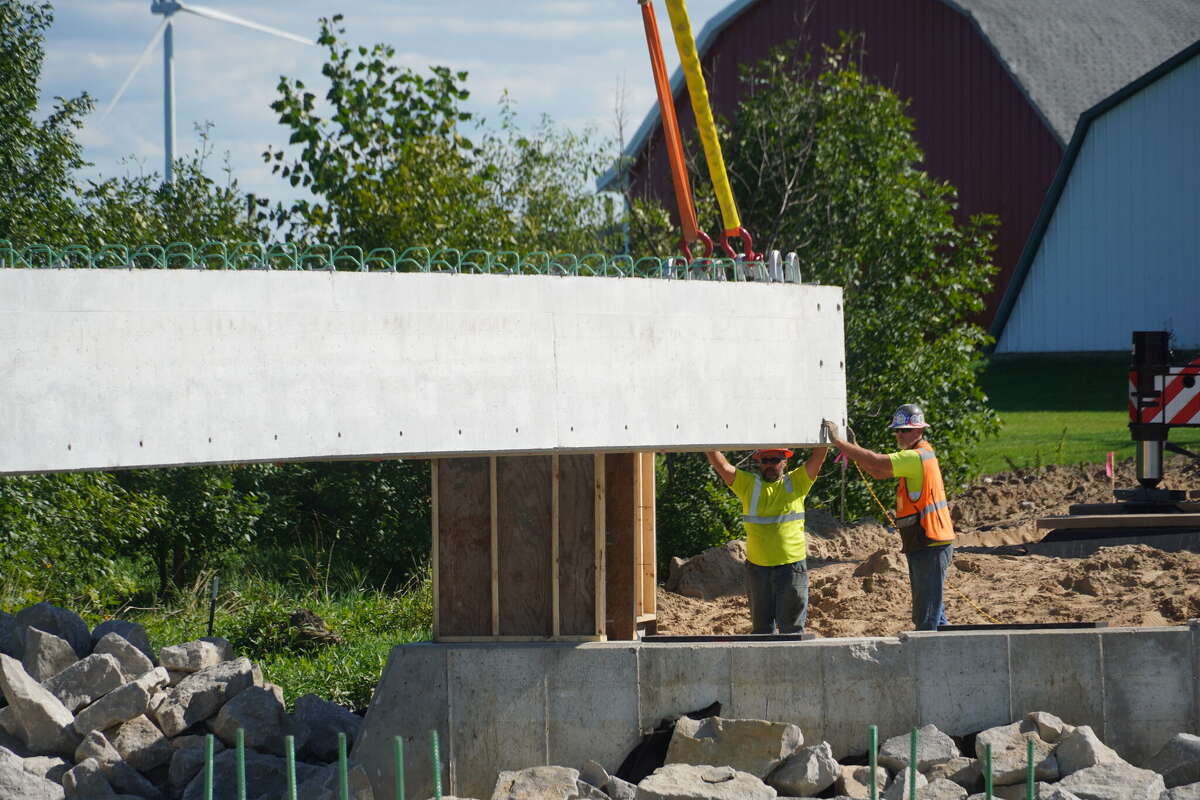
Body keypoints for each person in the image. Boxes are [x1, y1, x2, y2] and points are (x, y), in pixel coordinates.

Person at [823, 404, 955, 631]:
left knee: (927, 617)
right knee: (933, 611)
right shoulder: (916, 456)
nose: (899, 434)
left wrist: (840, 443)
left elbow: (877, 462)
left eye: (904, 430)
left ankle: (930, 655)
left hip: (930, 542)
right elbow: (877, 472)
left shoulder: (917, 456)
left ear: (918, 430)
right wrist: (854, 449)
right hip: (924, 541)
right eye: (897, 430)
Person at [705, 445, 827, 634]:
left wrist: (828, 439)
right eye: (765, 461)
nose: (770, 465)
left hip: (791, 567)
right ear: (759, 463)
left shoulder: (796, 482)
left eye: (775, 460)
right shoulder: (748, 485)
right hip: (758, 568)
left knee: (792, 630)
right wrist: (709, 444)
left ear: (784, 462)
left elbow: (817, 460)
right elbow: (722, 466)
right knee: (761, 630)